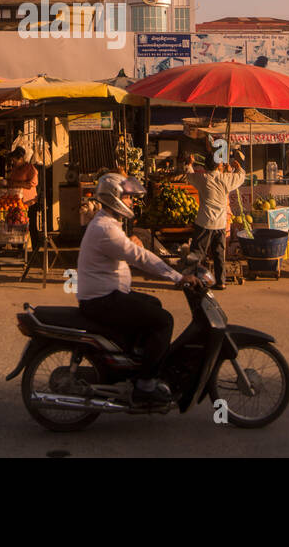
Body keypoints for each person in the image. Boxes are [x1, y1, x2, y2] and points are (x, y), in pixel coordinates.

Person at [76, 172, 195, 404]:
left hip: (108, 293)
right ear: (114, 197)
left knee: (153, 304)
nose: (131, 202)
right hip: (103, 299)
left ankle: (136, 361)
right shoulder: (105, 228)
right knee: (164, 320)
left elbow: (128, 249)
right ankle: (145, 384)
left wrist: (130, 242)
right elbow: (140, 257)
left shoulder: (108, 224)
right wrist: (176, 276)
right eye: (128, 197)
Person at [184, 149, 247, 290]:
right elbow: (241, 177)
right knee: (219, 254)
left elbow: (189, 175)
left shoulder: (203, 179)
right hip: (220, 223)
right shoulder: (225, 179)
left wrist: (189, 163)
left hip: (204, 222)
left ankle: (192, 280)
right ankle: (221, 281)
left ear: (205, 166)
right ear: (219, 165)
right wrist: (238, 167)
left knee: (197, 253)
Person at [6, 147, 40, 242]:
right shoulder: (15, 169)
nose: (13, 163)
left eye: (14, 160)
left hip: (29, 201)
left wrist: (16, 184)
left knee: (32, 225)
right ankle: (20, 248)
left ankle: (35, 248)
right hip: (17, 202)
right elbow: (12, 180)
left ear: (21, 159)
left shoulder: (30, 169)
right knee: (18, 225)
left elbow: (31, 184)